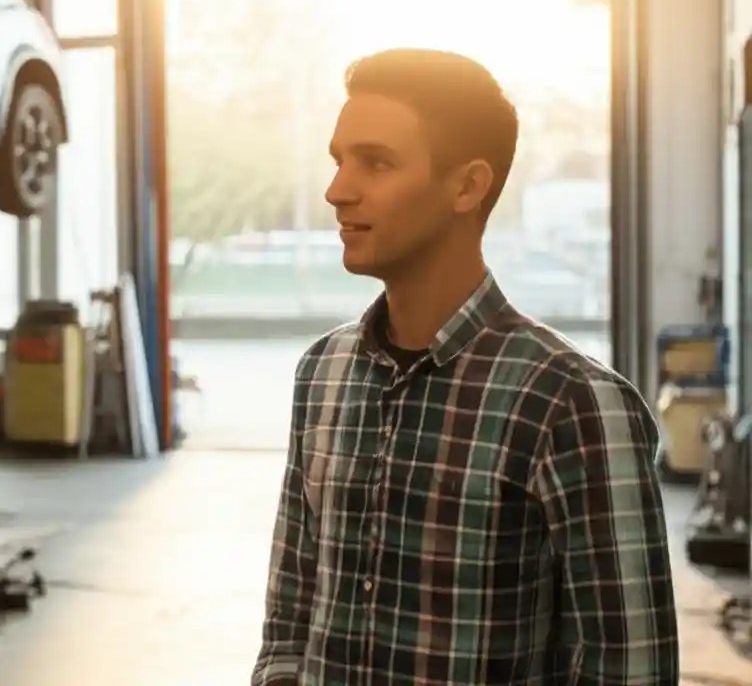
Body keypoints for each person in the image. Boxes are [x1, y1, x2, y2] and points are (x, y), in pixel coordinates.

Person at [251, 48, 678, 685]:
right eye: (339, 160)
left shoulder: (571, 401)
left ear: (467, 186)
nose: (337, 190)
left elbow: (631, 669)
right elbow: (289, 619)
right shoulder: (323, 374)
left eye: (376, 162)